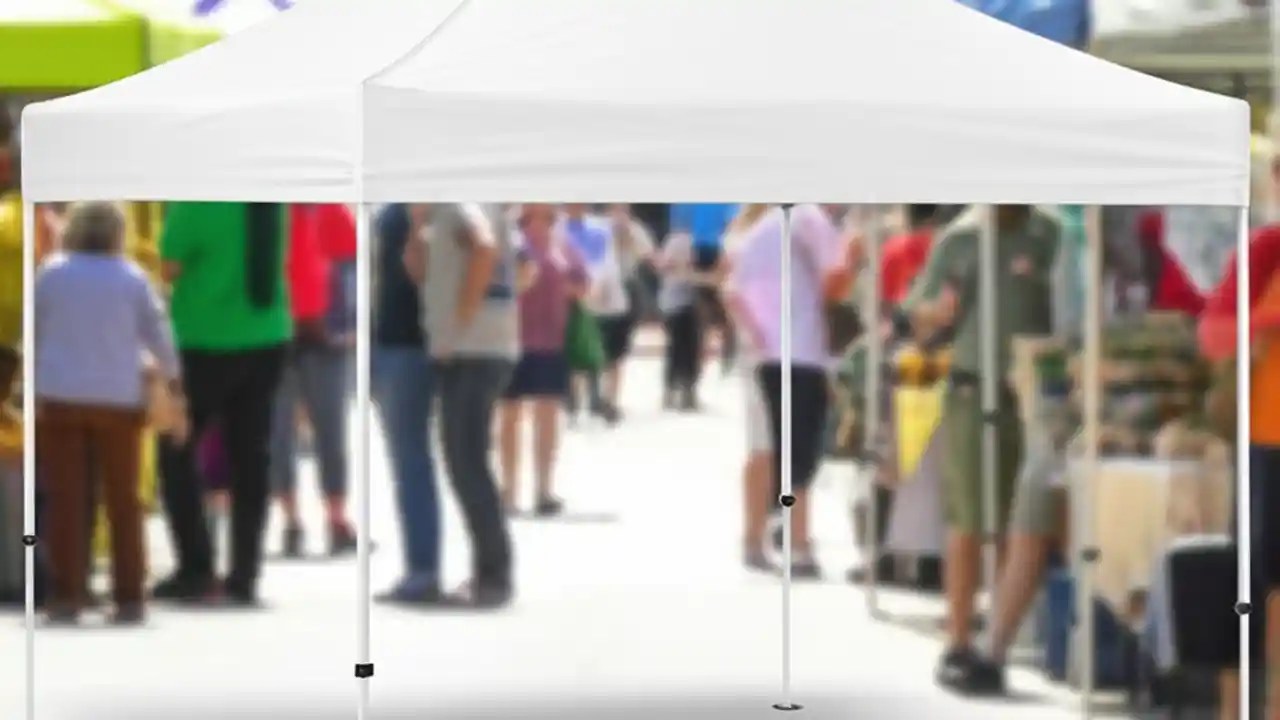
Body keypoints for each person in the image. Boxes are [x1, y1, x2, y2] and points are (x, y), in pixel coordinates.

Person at [896, 204, 1061, 694]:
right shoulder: (961, 237)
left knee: (1022, 517)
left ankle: (1002, 635)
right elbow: (919, 318)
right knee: (967, 519)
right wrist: (932, 313)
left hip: (1033, 394)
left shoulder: (1049, 233)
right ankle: (960, 638)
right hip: (972, 389)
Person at [34, 202, 182, 624]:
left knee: (66, 499)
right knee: (123, 500)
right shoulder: (131, 278)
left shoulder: (52, 274)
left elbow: (37, 328)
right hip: (118, 400)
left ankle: (67, 593)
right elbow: (159, 333)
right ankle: (130, 596)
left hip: (61, 397)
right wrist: (172, 382)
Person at [156, 202, 291, 606]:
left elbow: (169, 265)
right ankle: (244, 574)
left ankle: (196, 566)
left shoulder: (195, 202)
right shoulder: (272, 201)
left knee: (176, 450)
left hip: (204, 339)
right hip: (267, 336)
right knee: (251, 456)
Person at [727, 204, 858, 578]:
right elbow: (836, 280)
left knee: (772, 450)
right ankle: (796, 540)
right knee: (797, 454)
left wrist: (755, 333)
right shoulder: (807, 218)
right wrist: (855, 254)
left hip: (766, 349)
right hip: (797, 350)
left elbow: (731, 290)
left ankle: (762, 534)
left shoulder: (763, 227)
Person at [408, 203, 517, 608]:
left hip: (473, 350)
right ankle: (489, 571)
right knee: (464, 462)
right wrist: (417, 223)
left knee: (467, 463)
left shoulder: (461, 201)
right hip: (478, 348)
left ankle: (493, 575)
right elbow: (420, 272)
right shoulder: (444, 211)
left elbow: (485, 248)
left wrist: (459, 323)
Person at [1199, 213, 1280, 720]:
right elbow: (1213, 335)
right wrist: (1267, 321)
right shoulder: (1268, 248)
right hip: (1270, 441)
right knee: (1256, 585)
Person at [270, 203, 357, 558]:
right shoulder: (271, 208)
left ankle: (320, 521)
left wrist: (349, 327)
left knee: (314, 431)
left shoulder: (330, 211)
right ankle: (304, 522)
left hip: (307, 336)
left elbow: (351, 273)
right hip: (295, 336)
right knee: (293, 434)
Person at [498, 204, 588, 516]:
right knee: (510, 416)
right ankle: (508, 491)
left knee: (548, 416)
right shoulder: (509, 235)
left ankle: (544, 490)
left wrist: (570, 288)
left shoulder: (561, 240)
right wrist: (522, 281)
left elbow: (583, 283)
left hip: (551, 340)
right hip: (511, 339)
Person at [373, 204, 442, 604]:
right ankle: (421, 568)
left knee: (412, 462)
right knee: (410, 463)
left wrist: (417, 224)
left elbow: (420, 270)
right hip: (392, 343)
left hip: (409, 346)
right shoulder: (395, 207)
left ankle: (423, 571)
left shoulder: (418, 206)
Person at [590, 204, 656, 422]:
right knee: (595, 349)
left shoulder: (634, 230)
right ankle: (594, 396)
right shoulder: (597, 228)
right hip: (599, 292)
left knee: (617, 353)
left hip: (626, 291)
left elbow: (648, 257)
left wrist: (627, 238)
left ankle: (611, 400)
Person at [561, 204, 613, 422]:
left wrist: (594, 290)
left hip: (589, 296)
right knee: (569, 353)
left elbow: (602, 262)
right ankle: (570, 402)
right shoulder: (559, 229)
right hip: (564, 301)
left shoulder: (598, 229)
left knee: (591, 351)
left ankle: (594, 400)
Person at [655, 228, 705, 411]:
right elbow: (664, 266)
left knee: (690, 348)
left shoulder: (694, 242)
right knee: (677, 348)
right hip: (674, 305)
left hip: (688, 303)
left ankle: (686, 391)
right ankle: (672, 390)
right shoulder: (678, 240)